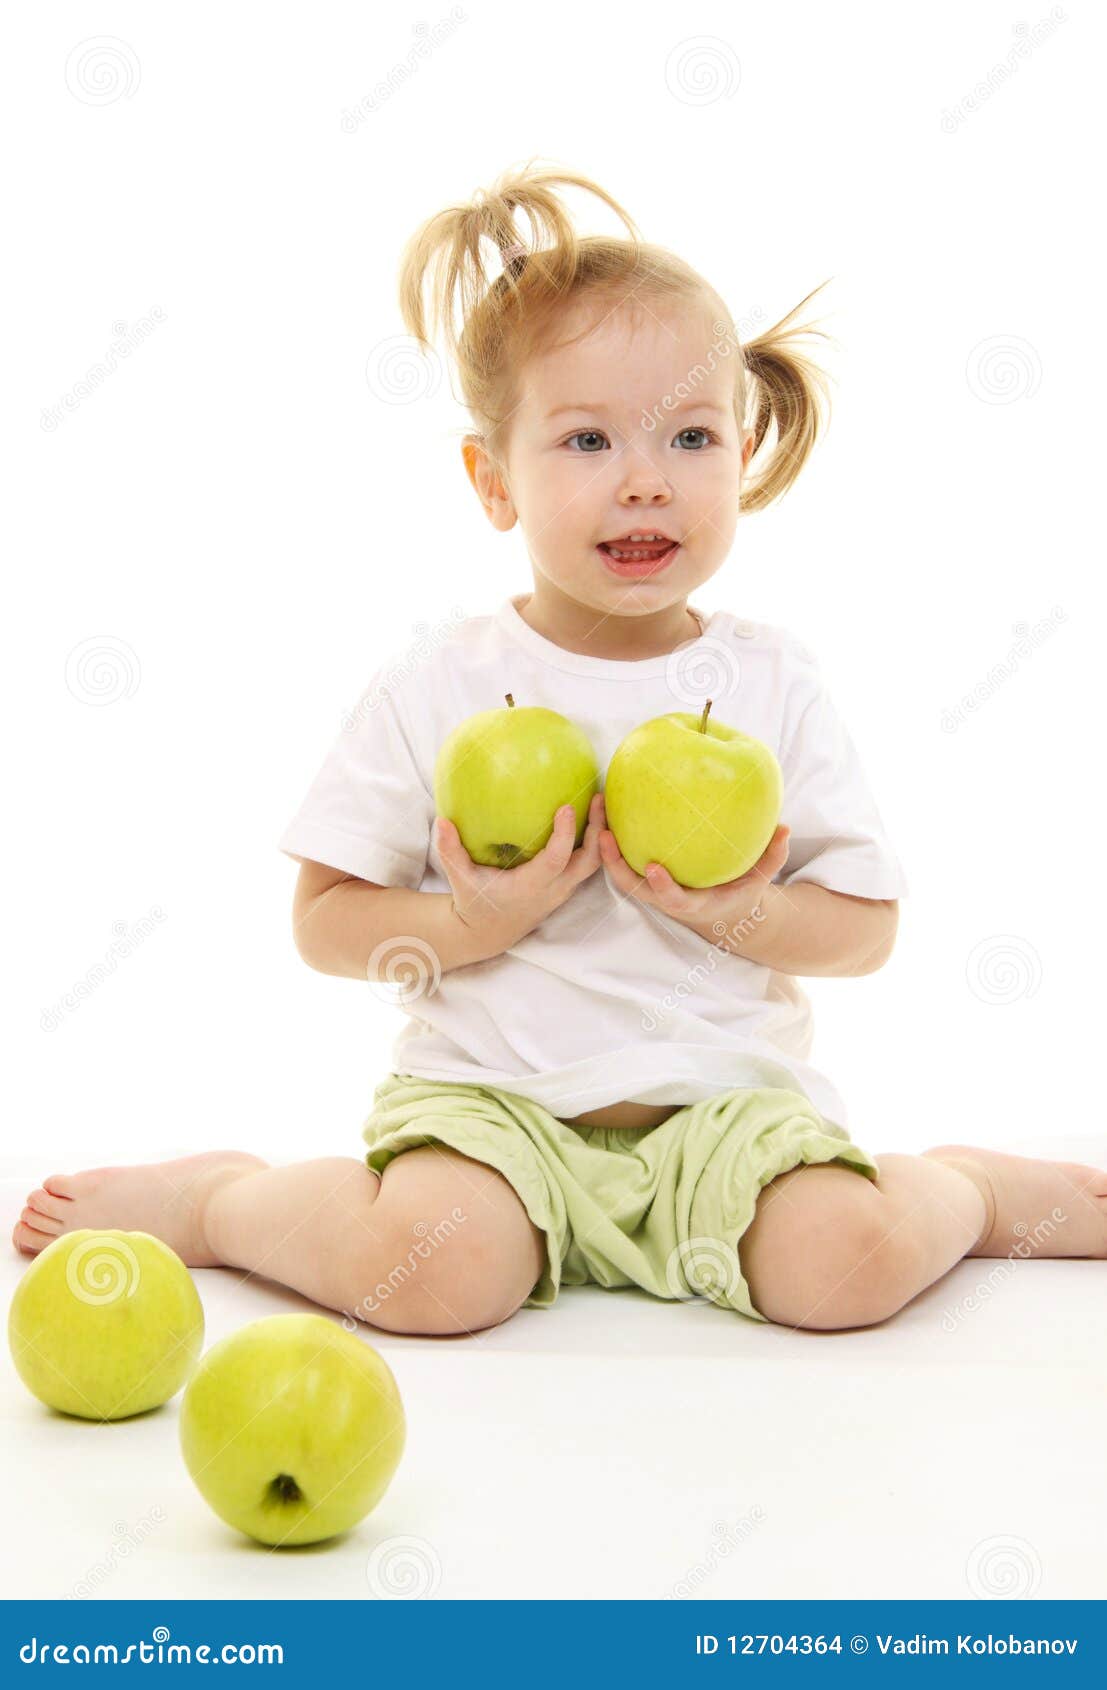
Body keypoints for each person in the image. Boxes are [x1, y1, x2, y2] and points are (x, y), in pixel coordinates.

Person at [15, 163, 1106, 1335]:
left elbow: (867, 928)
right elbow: (325, 921)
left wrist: (734, 913)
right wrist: (475, 924)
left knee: (856, 1263)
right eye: (587, 441)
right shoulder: (445, 684)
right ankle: (225, 1202)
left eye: (691, 436)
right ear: (493, 481)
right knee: (432, 1274)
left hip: (727, 1114)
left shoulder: (768, 682)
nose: (646, 481)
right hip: (492, 1111)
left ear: (740, 458)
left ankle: (977, 1188)